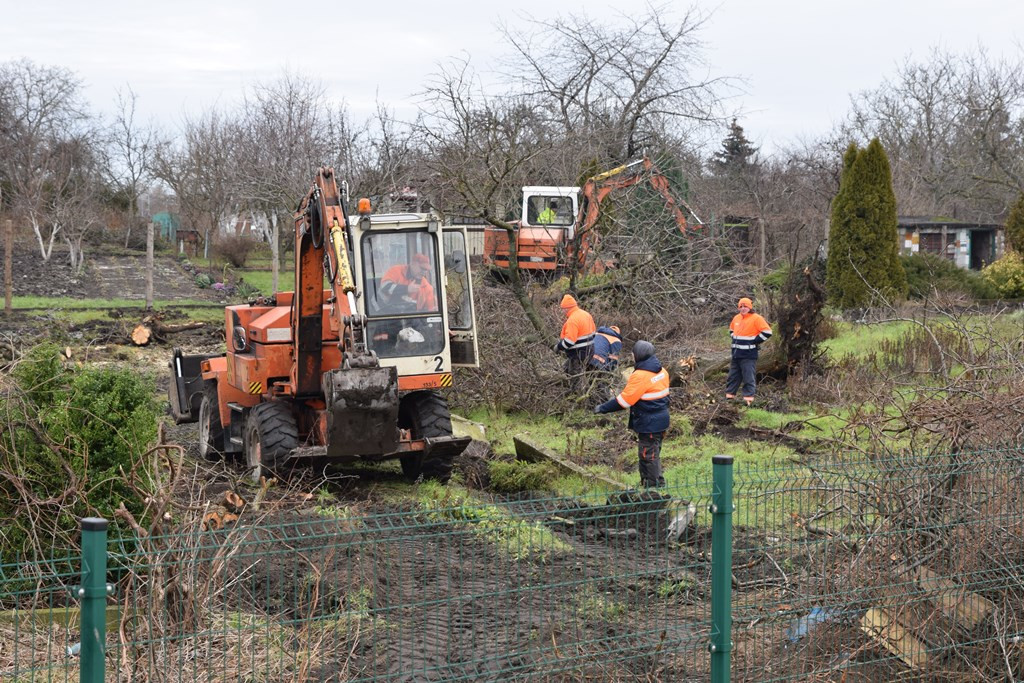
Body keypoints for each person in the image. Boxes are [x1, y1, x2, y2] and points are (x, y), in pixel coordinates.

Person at [594, 340, 669, 488]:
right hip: (661, 419)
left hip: (649, 422)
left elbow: (624, 401)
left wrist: (602, 408)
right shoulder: (662, 371)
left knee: (648, 455)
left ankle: (652, 487)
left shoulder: (641, 375)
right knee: (654, 453)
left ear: (638, 355)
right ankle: (652, 482)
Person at [727, 297, 772, 406]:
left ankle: (748, 400)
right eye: (741, 306)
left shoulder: (756, 318)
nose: (743, 309)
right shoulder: (736, 318)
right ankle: (729, 398)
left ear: (750, 307)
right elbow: (731, 330)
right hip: (736, 354)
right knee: (732, 376)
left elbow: (767, 332)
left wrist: (754, 340)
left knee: (748, 377)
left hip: (748, 355)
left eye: (745, 306)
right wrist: (734, 337)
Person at [554, 294, 596, 392]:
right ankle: (580, 391)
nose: (562, 312)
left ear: (567, 308)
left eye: (563, 309)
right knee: (567, 368)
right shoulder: (586, 314)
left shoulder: (572, 320)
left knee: (575, 376)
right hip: (590, 350)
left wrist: (559, 347)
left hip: (578, 354)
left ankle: (576, 396)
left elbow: (569, 342)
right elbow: (594, 333)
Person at [589, 325, 622, 402]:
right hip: (599, 361)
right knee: (602, 382)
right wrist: (610, 371)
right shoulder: (616, 339)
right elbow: (613, 358)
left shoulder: (597, 333)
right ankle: (603, 403)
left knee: (588, 380)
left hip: (586, 358)